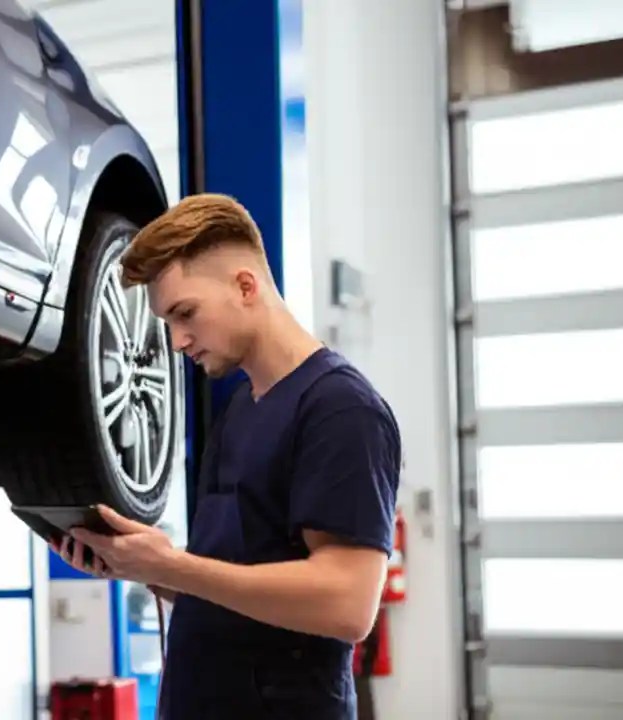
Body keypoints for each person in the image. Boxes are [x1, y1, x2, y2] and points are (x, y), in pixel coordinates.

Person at [53, 193, 402, 719]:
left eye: (184, 313)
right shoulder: (242, 406)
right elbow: (238, 588)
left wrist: (179, 566)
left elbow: (348, 604)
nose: (175, 341)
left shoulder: (341, 408)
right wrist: (147, 566)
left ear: (245, 286)